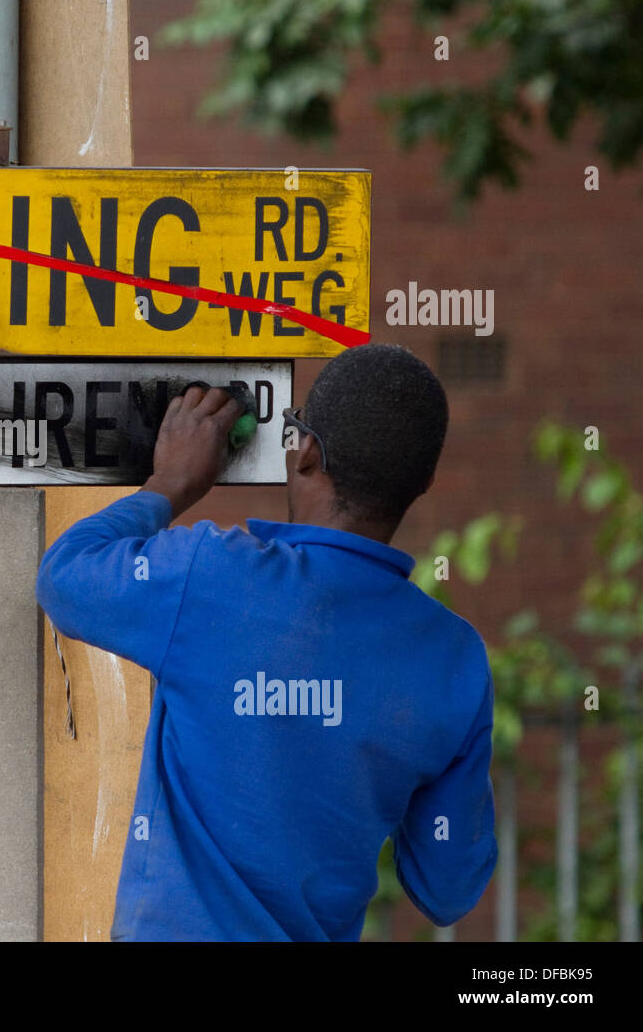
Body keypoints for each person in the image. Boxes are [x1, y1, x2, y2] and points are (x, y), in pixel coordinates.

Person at [36, 343, 497, 941]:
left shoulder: (211, 576)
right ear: (424, 482)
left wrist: (169, 484)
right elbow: (448, 888)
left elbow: (65, 575)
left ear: (305, 452)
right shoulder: (453, 658)